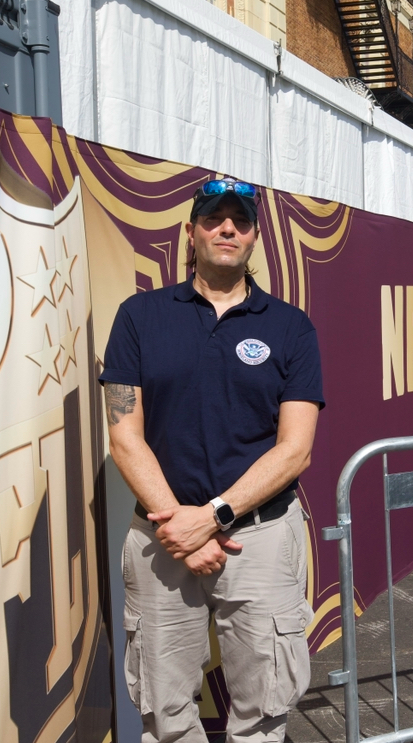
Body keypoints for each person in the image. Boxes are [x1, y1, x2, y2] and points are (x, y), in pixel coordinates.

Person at [100, 177, 324, 743]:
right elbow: (125, 437)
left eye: (241, 221)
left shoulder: (290, 327)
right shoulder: (139, 316)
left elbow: (295, 448)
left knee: (263, 711)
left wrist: (213, 517)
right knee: (165, 714)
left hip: (261, 537)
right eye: (213, 218)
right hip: (161, 536)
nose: (227, 228)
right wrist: (182, 524)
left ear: (254, 238)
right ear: (191, 232)